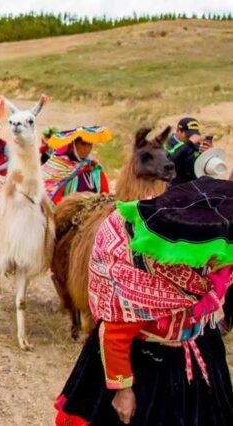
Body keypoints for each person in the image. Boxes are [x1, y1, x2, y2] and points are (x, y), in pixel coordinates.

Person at [55, 177, 233, 425]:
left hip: (196, 352)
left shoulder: (212, 268)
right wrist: (123, 391)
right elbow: (114, 334)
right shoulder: (146, 279)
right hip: (149, 368)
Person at [42, 126, 112, 205]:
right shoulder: (59, 167)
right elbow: (51, 198)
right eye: (83, 144)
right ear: (73, 145)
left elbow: (105, 195)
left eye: (90, 144)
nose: (87, 148)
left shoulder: (95, 168)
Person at [167, 117, 214, 185]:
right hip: (172, 186)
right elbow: (170, 160)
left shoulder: (195, 145)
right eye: (188, 135)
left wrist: (209, 153)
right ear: (178, 131)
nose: (190, 137)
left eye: (193, 135)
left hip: (192, 186)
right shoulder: (167, 144)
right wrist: (189, 143)